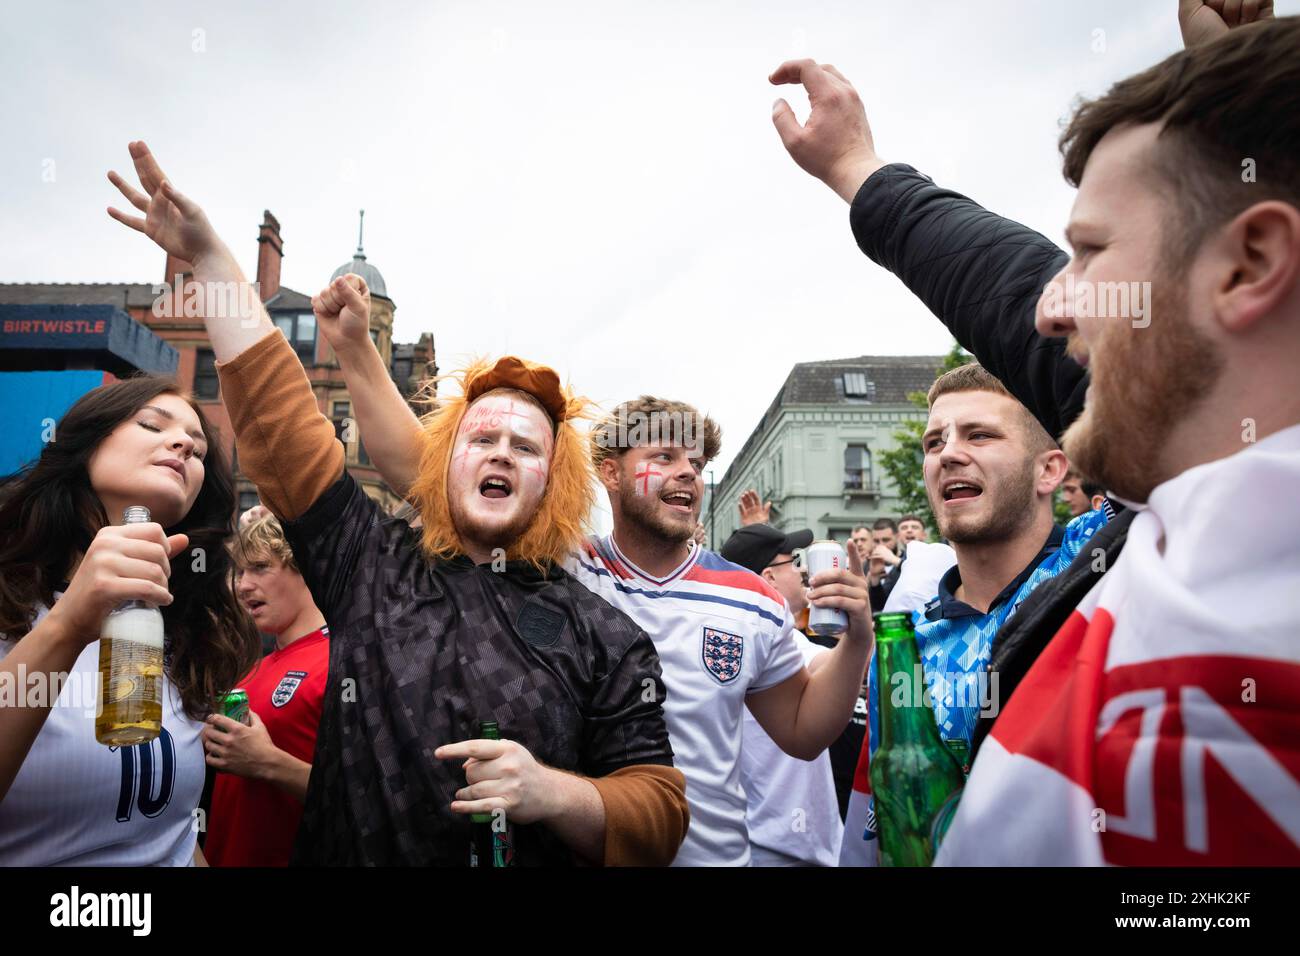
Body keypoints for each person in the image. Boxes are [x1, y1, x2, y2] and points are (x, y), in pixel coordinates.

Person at [775, 6, 1299, 864]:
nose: (1053, 308)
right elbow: (1000, 285)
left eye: (1089, 256)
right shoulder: (1182, 497)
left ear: (1248, 267)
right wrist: (857, 171)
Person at [107, 142, 688, 866]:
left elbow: (661, 811)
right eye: (483, 437)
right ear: (444, 466)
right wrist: (213, 261)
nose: (503, 452)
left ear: (552, 483)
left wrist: (552, 792)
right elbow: (283, 425)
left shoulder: (606, 634)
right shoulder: (371, 565)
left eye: (527, 446)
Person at [840, 364, 1106, 865]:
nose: (950, 454)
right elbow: (877, 818)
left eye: (980, 435)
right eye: (934, 442)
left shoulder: (1099, 566)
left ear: (1049, 470)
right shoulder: (907, 645)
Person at [0, 377, 260, 865]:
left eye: (199, 450)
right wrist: (69, 624)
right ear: (83, 444)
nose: (184, 443)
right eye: (150, 425)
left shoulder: (188, 631)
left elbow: (175, 835)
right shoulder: (9, 604)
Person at [202, 513, 329, 867]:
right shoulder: (251, 669)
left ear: (304, 565)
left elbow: (369, 799)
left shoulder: (344, 663)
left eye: (259, 567)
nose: (243, 585)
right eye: (240, 572)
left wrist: (268, 763)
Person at [720, 523, 846, 862]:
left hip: (775, 839)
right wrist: (857, 629)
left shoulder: (756, 633)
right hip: (781, 847)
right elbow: (835, 670)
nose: (802, 570)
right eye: (792, 561)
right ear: (768, 577)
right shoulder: (764, 636)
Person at [866, 518, 902, 611]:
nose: (881, 545)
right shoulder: (867, 565)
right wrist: (874, 579)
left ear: (897, 537)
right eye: (876, 541)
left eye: (886, 540)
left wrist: (893, 560)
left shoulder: (907, 559)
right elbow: (878, 606)